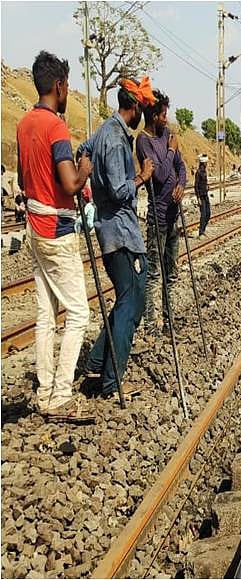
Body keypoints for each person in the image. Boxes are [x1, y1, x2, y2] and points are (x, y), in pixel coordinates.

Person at [17, 51, 94, 421]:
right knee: (79, 313)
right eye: (68, 85)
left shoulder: (24, 124)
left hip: (34, 225)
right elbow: (69, 184)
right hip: (57, 229)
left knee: (46, 313)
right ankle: (61, 394)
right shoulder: (55, 127)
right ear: (60, 86)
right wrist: (84, 169)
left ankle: (45, 392)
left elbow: (22, 178)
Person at [76, 76, 155, 400]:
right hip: (120, 233)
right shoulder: (115, 139)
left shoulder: (105, 132)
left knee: (128, 299)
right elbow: (119, 190)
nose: (142, 117)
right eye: (142, 110)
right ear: (133, 107)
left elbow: (83, 149)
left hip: (116, 231)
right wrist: (142, 177)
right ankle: (113, 381)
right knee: (131, 302)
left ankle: (97, 362)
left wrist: (86, 167)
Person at [135, 89, 187, 336]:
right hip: (158, 217)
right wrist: (171, 151)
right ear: (154, 115)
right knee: (154, 273)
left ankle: (169, 322)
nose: (167, 119)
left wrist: (182, 185)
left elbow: (181, 168)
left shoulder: (167, 135)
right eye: (164, 114)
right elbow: (160, 175)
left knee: (172, 273)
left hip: (173, 215)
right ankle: (150, 326)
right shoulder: (144, 141)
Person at [195, 155, 210, 237]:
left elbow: (204, 182)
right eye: (206, 162)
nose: (207, 164)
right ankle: (201, 232)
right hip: (201, 196)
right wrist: (198, 198)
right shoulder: (198, 172)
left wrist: (207, 186)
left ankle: (203, 230)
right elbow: (196, 186)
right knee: (203, 215)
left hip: (206, 195)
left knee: (208, 213)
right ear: (203, 163)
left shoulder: (204, 171)